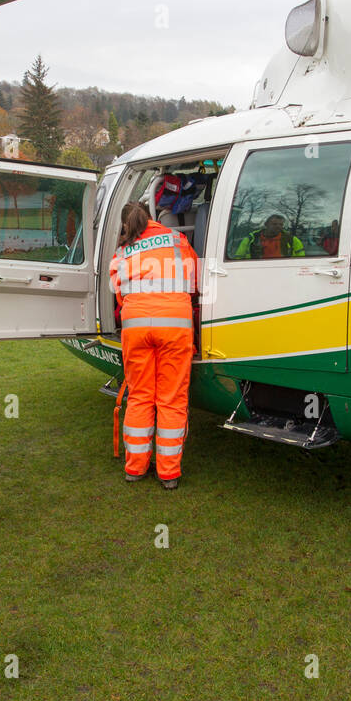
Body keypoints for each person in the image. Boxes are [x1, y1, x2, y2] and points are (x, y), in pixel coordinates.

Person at [109, 201, 198, 489]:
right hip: (175, 326)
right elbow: (196, 279)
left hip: (136, 327)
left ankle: (135, 468)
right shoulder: (178, 241)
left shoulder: (122, 252)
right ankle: (168, 473)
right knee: (171, 399)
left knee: (139, 396)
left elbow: (118, 294)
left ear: (127, 224)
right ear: (153, 217)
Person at [233, 214, 305, 259]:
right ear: (266, 224)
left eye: (281, 224)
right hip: (256, 271)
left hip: (283, 271)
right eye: (274, 224)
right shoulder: (251, 239)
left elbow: (301, 259)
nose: (278, 226)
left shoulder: (292, 239)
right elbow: (239, 257)